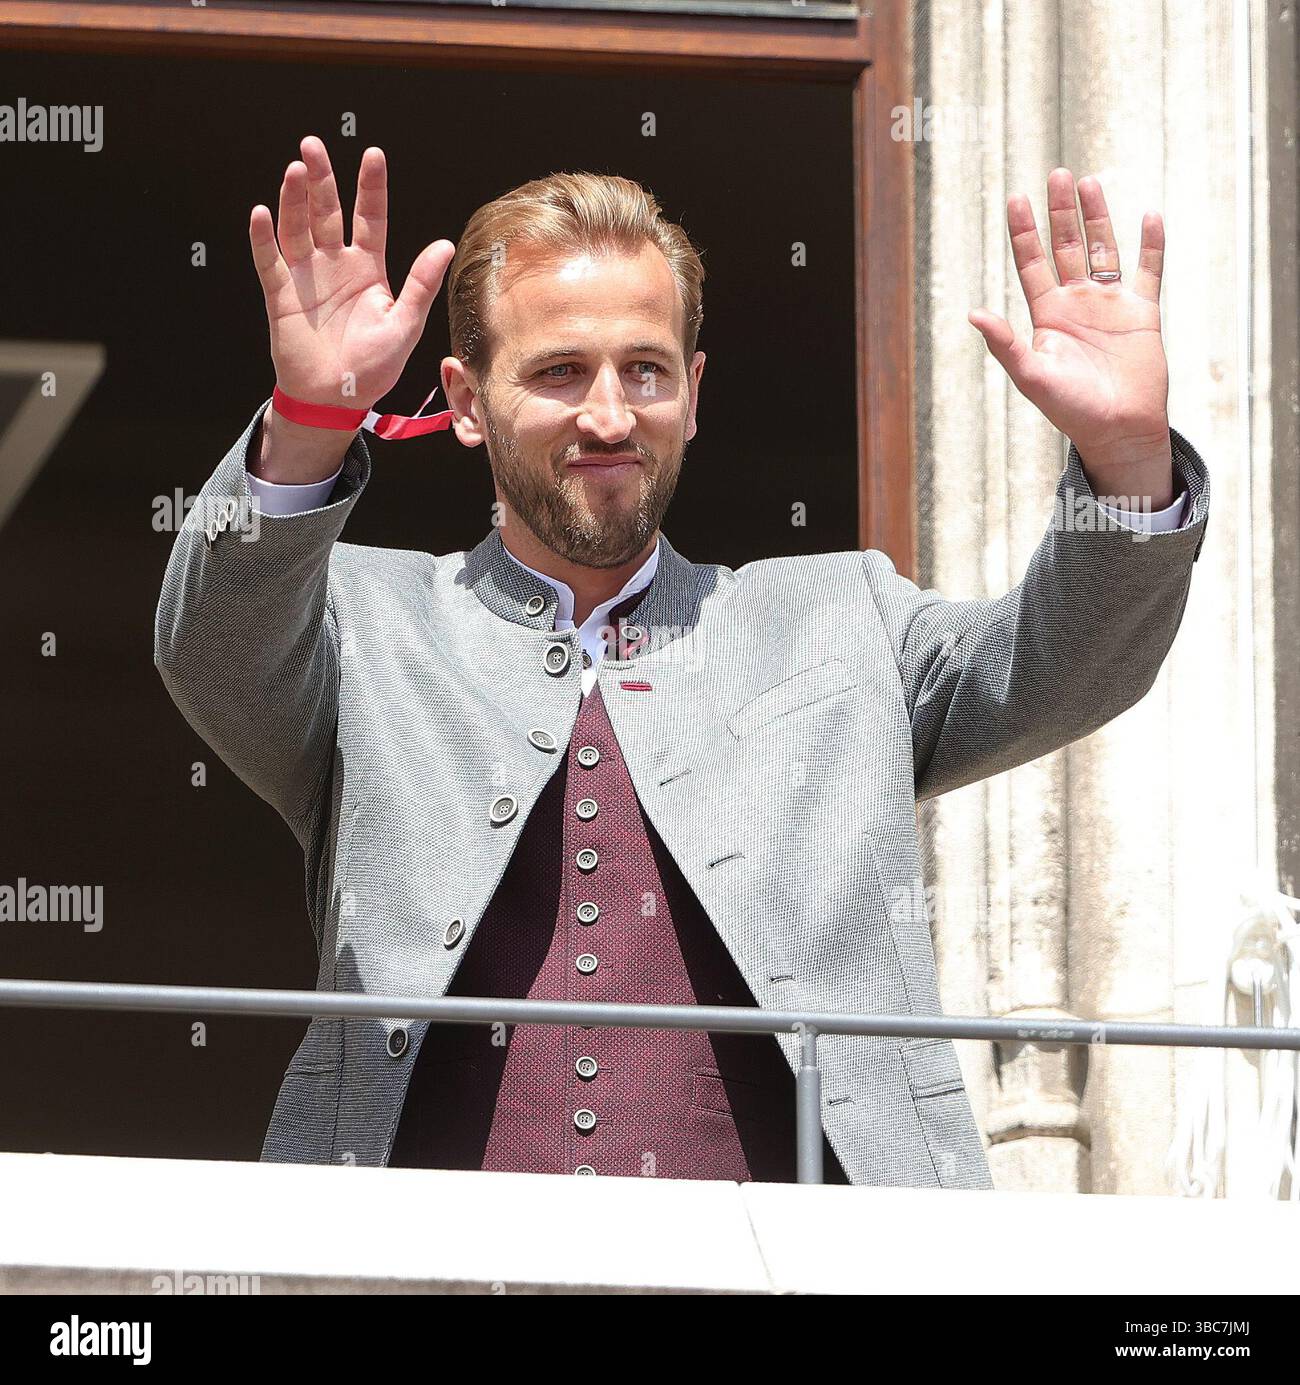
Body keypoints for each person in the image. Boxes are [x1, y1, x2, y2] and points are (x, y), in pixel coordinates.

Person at [154, 136, 1209, 1186]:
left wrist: (1122, 462)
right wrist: (306, 429)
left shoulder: (843, 618)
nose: (609, 415)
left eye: (644, 370)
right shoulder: (361, 620)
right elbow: (213, 649)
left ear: (693, 393)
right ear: (466, 401)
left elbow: (1065, 667)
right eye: (560, 371)